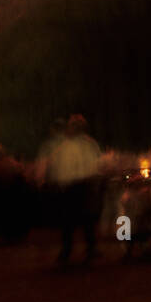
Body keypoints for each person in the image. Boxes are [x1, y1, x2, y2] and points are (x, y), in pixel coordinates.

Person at [45, 114, 102, 266]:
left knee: (83, 219)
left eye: (76, 126)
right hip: (73, 186)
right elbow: (60, 165)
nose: (74, 129)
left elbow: (95, 165)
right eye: (73, 125)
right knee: (71, 220)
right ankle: (70, 249)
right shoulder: (68, 146)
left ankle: (85, 249)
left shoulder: (87, 144)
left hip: (81, 185)